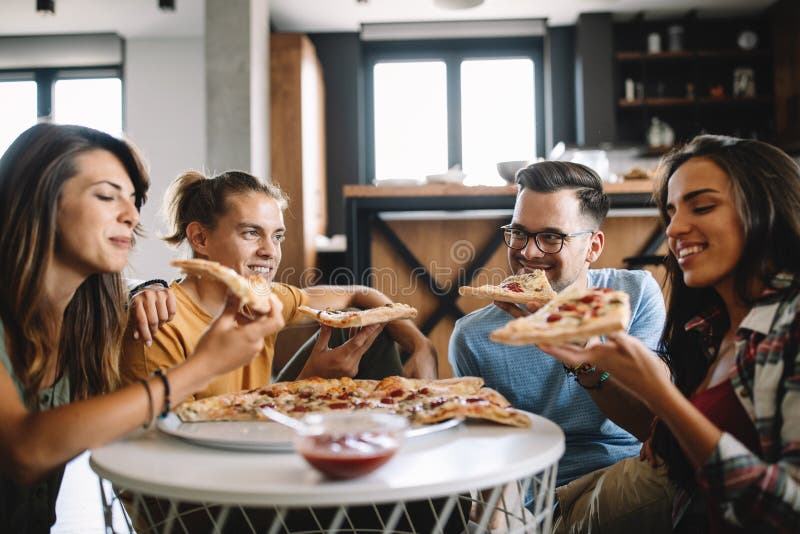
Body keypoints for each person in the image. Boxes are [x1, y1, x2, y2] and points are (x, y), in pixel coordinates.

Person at [0, 123, 286, 533]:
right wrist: (202, 367)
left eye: (133, 200)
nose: (131, 216)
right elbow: (25, 452)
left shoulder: (87, 318)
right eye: (105, 196)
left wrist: (145, 288)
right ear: (37, 203)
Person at [543, 135, 800, 531]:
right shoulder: (707, 328)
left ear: (765, 210)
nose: (675, 228)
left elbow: (787, 510)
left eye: (703, 207)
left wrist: (662, 398)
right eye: (671, 212)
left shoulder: (789, 329)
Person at [119, 170, 437, 401]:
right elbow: (185, 456)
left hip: (258, 431)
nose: (270, 251)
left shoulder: (265, 298)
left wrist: (420, 344)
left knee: (363, 325)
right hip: (208, 479)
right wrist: (307, 383)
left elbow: (357, 293)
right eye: (250, 233)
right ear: (200, 238)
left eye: (277, 236)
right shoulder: (158, 325)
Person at [449, 161, 667, 492]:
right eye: (518, 232)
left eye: (552, 237)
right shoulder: (473, 337)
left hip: (628, 481)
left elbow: (654, 429)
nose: (528, 251)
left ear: (593, 246)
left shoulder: (632, 299)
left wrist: (584, 353)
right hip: (534, 503)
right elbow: (482, 455)